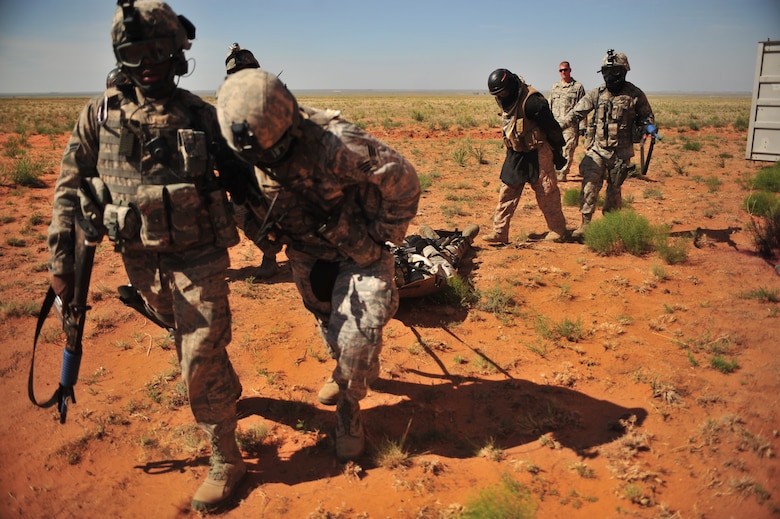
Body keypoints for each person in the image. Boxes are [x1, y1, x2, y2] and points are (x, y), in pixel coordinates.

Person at [46, 1, 255, 512]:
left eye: (158, 50)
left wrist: (281, 228)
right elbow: (69, 191)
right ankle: (223, 383)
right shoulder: (98, 115)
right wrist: (61, 262)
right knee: (186, 336)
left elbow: (243, 183)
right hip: (140, 260)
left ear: (177, 51)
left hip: (200, 255)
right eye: (135, 52)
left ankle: (226, 457)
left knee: (198, 352)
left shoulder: (202, 115)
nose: (148, 63)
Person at [215, 68, 421, 462]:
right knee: (332, 332)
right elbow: (241, 207)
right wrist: (265, 238)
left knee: (358, 336)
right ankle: (346, 369)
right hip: (306, 256)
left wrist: (382, 235)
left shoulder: (336, 142)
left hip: (359, 250)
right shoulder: (237, 153)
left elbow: (403, 179)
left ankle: (348, 406)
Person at [559, 50, 655, 238]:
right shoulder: (597, 94)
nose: (610, 77)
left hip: (621, 153)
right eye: (606, 72)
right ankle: (585, 225)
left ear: (624, 71)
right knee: (589, 185)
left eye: (614, 72)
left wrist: (648, 128)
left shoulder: (635, 94)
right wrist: (556, 126)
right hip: (597, 149)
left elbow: (647, 117)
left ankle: (610, 226)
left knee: (614, 190)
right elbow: (576, 114)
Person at [483, 68, 569, 245]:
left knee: (547, 192)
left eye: (503, 92)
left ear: (511, 86)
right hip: (516, 151)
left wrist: (557, 152)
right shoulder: (504, 100)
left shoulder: (533, 102)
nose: (501, 97)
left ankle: (558, 230)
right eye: (497, 95)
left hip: (538, 151)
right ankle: (500, 233)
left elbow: (552, 129)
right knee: (507, 191)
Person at [220, 42, 281, 279]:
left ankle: (276, 254)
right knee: (237, 212)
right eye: (236, 74)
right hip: (247, 174)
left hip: (274, 174)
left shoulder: (272, 97)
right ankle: (271, 252)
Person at [393, 224, 479, 298]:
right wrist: (425, 248)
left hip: (411, 253)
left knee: (419, 234)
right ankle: (463, 238)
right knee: (455, 247)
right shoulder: (422, 281)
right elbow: (448, 274)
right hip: (436, 259)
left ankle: (433, 239)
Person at [549, 61, 586, 182]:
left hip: (571, 125)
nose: (563, 72)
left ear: (570, 70)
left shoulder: (578, 87)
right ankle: (553, 171)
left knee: (568, 149)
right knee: (554, 148)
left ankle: (563, 173)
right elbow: (550, 104)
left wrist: (583, 126)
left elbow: (583, 107)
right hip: (555, 123)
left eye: (565, 70)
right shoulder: (555, 87)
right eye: (561, 70)